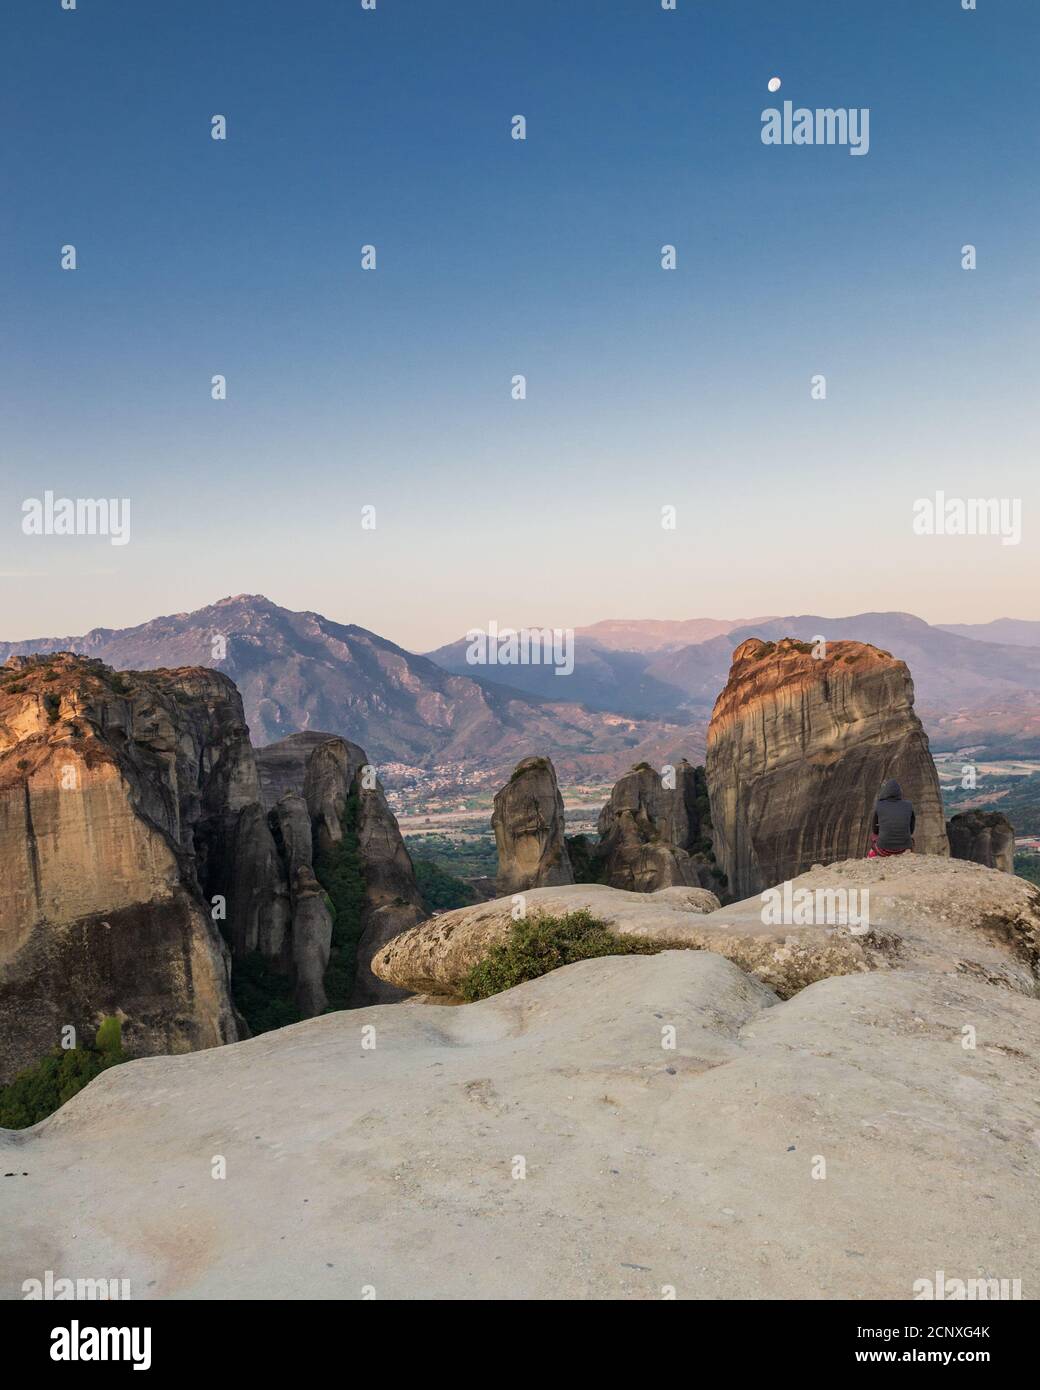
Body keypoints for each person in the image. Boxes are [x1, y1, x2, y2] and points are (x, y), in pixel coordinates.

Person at [868, 778, 915, 857]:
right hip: (904, 849)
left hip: (883, 850)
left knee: (873, 837)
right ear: (899, 792)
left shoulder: (879, 805)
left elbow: (875, 830)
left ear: (885, 791)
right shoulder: (908, 805)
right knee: (912, 840)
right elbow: (911, 830)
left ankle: (871, 857)